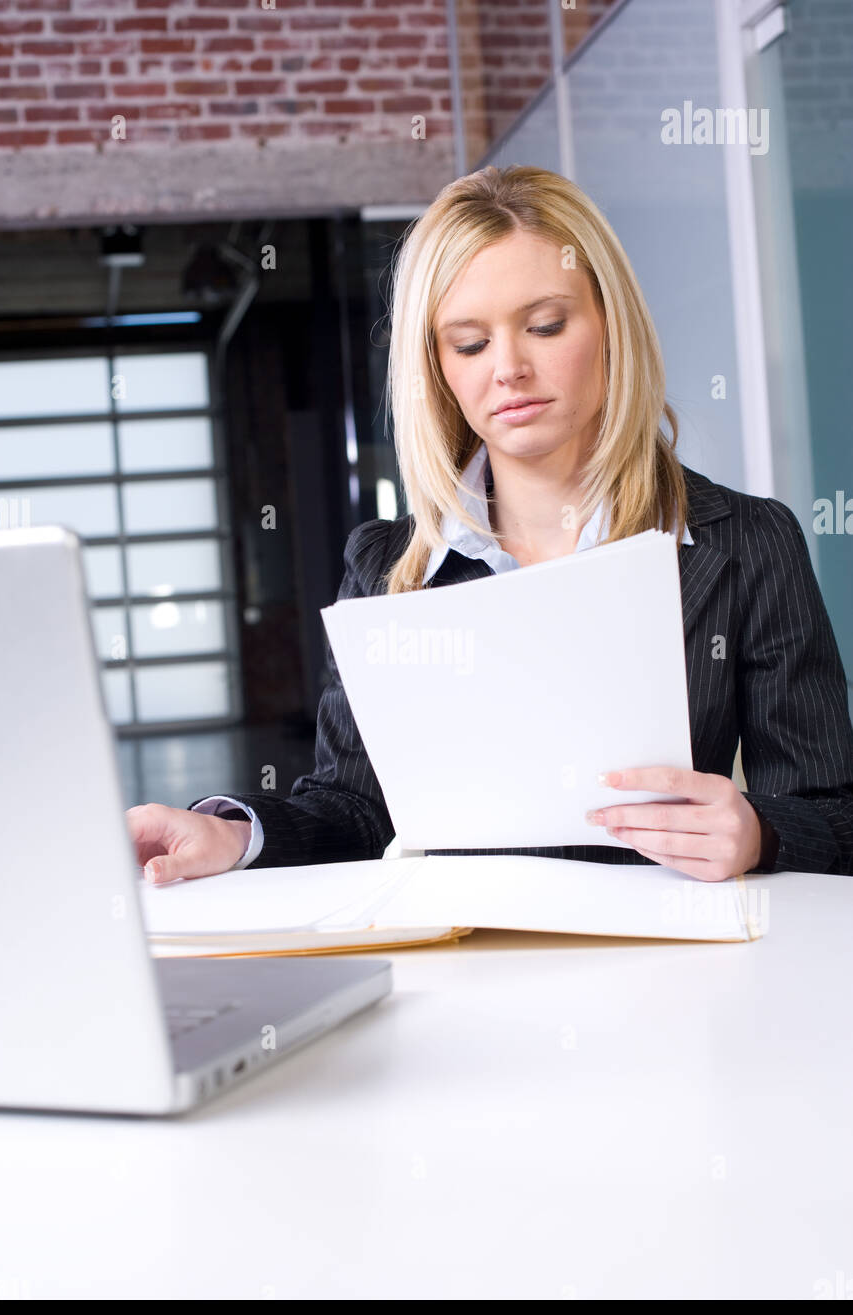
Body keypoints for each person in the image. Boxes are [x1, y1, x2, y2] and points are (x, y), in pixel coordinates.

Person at [127, 165, 853, 883]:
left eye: (545, 326)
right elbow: (353, 810)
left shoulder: (747, 542)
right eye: (469, 343)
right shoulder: (388, 568)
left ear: (611, 325)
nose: (508, 368)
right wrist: (231, 835)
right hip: (470, 974)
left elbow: (836, 816)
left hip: (668, 972)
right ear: (436, 366)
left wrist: (759, 831)